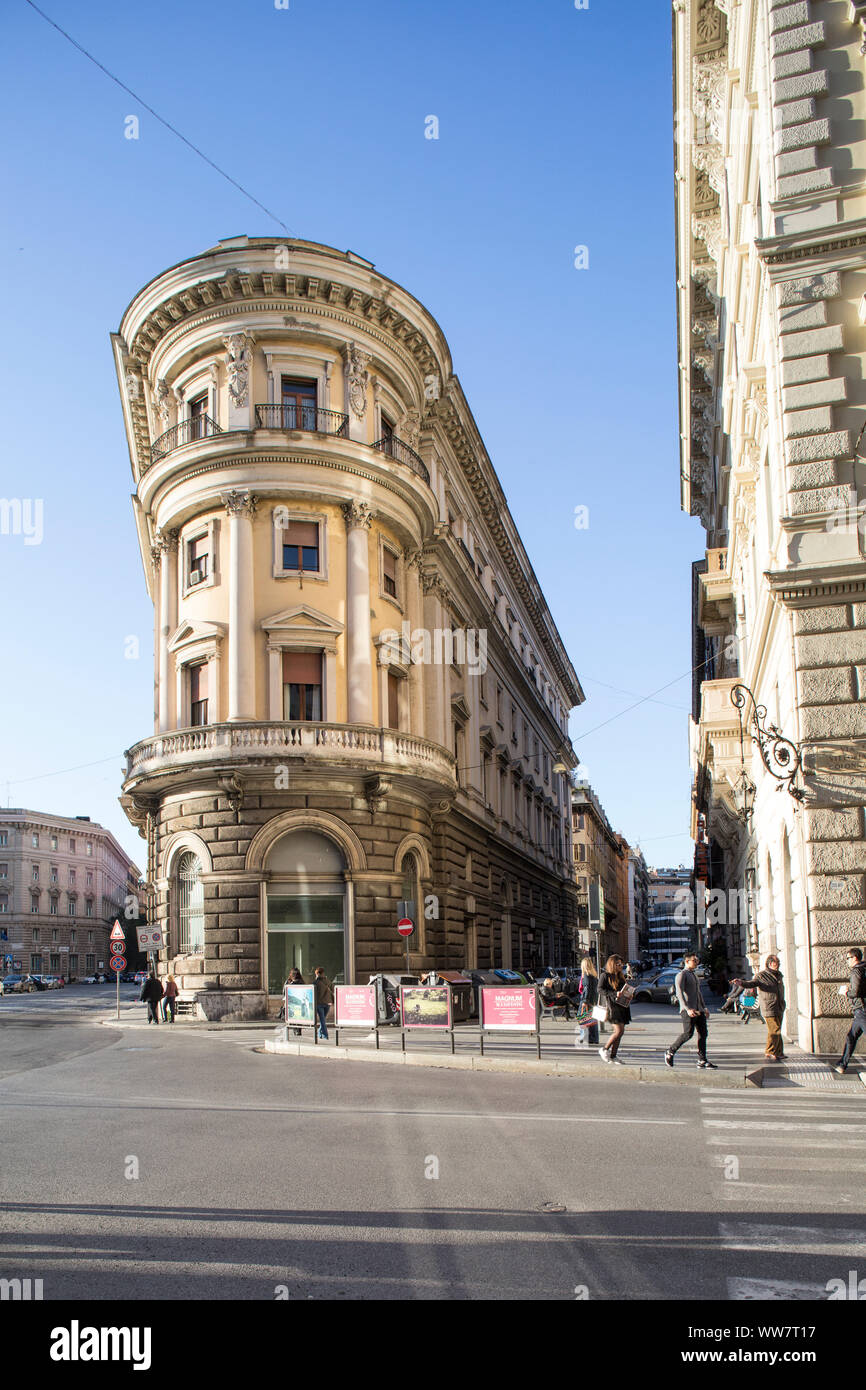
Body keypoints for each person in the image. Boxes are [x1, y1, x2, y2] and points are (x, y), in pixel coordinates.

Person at [665, 952, 716, 1069]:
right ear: (687, 961)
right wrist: (687, 1009)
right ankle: (670, 1051)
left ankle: (702, 1060)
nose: (697, 962)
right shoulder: (681, 975)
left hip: (699, 1009)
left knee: (703, 1034)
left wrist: (704, 1007)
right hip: (688, 1010)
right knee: (688, 1034)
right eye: (694, 960)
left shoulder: (694, 975)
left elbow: (698, 993)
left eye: (697, 960)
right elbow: (679, 993)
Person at [835, 947, 866, 1075]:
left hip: (861, 1010)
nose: (847, 961)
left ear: (855, 958)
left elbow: (856, 991)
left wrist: (847, 992)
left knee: (851, 1037)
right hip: (862, 1010)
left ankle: (842, 1064)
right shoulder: (864, 969)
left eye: (848, 958)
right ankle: (842, 1064)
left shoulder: (856, 971)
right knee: (851, 1037)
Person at [597, 955, 632, 1065]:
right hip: (612, 1007)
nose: (621, 966)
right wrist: (613, 994)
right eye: (618, 964)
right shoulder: (605, 975)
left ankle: (614, 1056)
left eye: (621, 964)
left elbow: (623, 989)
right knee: (618, 1031)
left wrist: (629, 994)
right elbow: (600, 989)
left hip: (622, 1006)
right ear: (612, 964)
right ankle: (604, 1049)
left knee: (620, 1032)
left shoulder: (620, 976)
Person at [753, 953, 787, 1061]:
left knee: (776, 1030)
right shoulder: (762, 975)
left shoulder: (779, 975)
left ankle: (777, 1051)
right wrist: (742, 983)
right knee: (775, 1030)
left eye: (778, 963)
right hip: (769, 1007)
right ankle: (772, 1052)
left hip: (779, 1006)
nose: (778, 965)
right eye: (776, 963)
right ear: (770, 963)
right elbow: (752, 983)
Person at [577, 955, 599, 1047]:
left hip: (586, 1000)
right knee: (592, 1020)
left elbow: (587, 988)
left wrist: (585, 1001)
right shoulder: (594, 975)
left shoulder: (586, 975)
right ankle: (594, 1038)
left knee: (582, 1017)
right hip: (593, 1000)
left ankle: (584, 1037)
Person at [314, 966, 333, 1040]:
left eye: (316, 974)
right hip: (327, 1003)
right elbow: (333, 988)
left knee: (322, 1020)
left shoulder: (315, 982)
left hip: (319, 1004)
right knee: (323, 1020)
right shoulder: (328, 981)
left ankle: (325, 1035)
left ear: (317, 974)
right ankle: (320, 1033)